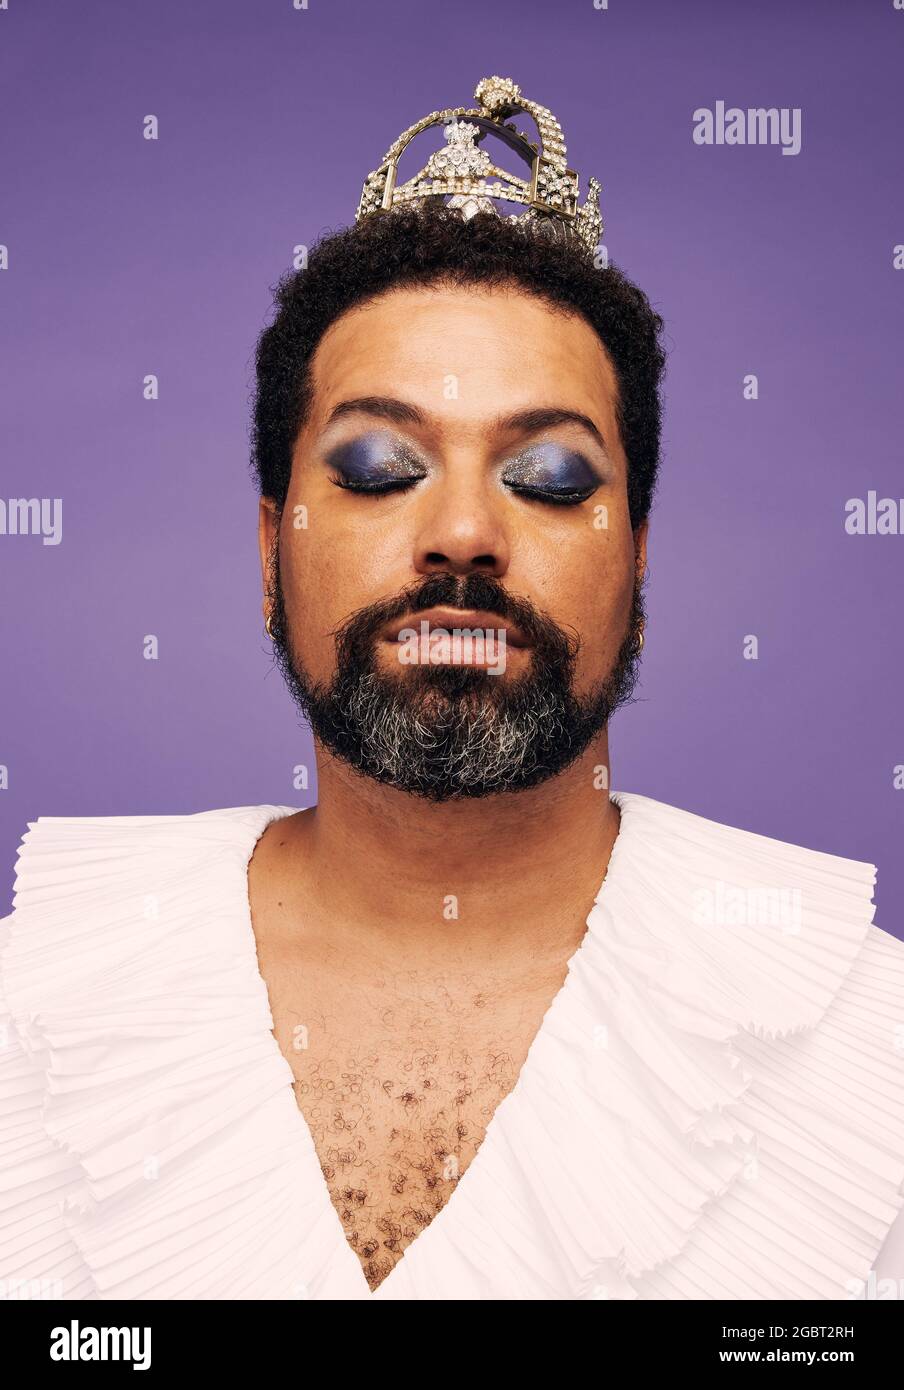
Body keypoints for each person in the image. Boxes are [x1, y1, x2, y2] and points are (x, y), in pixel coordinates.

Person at [2, 76, 903, 1302]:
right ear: (272, 547)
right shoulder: (39, 1012)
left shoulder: (863, 1052)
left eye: (546, 473)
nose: (465, 532)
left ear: (638, 562)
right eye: (378, 467)